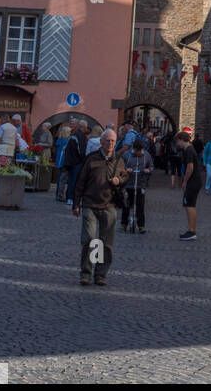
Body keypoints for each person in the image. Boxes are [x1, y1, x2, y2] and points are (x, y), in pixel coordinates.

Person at [73, 129, 128, 286]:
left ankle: (100, 274)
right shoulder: (91, 159)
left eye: (112, 141)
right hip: (90, 203)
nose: (110, 143)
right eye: (107, 140)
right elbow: (80, 181)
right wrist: (76, 203)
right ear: (101, 142)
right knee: (89, 240)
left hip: (109, 205)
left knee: (106, 244)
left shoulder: (119, 160)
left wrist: (119, 179)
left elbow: (125, 176)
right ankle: (86, 273)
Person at [120, 138, 153, 232]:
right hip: (128, 183)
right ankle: (123, 223)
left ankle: (141, 225)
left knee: (140, 205)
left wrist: (148, 170)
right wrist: (127, 169)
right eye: (137, 150)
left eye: (140, 150)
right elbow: (120, 166)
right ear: (133, 148)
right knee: (126, 204)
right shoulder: (127, 155)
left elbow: (151, 166)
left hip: (140, 183)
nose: (138, 153)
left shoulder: (146, 155)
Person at [177, 131, 204, 239]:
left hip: (193, 181)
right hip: (195, 181)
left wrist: (185, 181)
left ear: (182, 140)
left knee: (190, 205)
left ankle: (192, 231)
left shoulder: (188, 150)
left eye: (177, 141)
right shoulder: (189, 149)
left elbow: (190, 167)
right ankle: (191, 230)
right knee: (189, 205)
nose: (177, 144)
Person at [63, 121, 90, 205]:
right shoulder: (80, 136)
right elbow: (81, 151)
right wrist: (83, 160)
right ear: (84, 127)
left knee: (71, 180)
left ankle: (69, 197)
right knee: (75, 181)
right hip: (76, 162)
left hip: (70, 162)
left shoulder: (74, 135)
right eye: (86, 128)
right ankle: (72, 198)